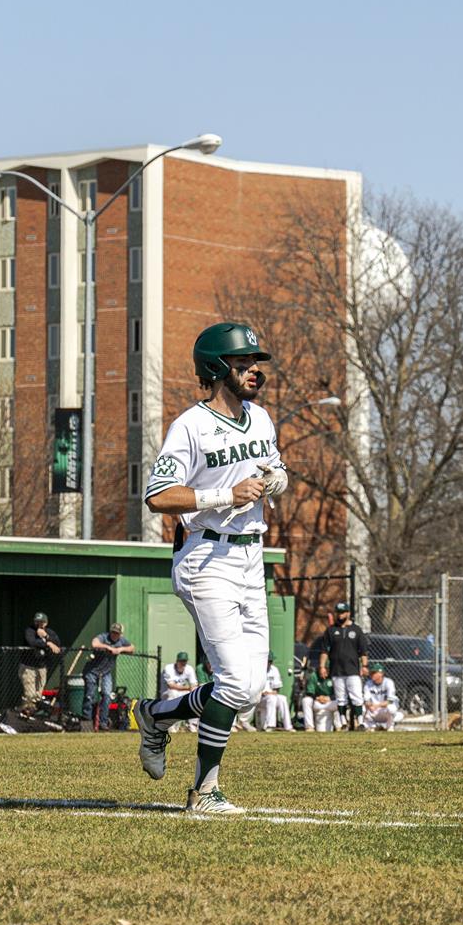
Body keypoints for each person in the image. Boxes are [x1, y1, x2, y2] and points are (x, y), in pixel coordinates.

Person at [132, 322, 288, 814]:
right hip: (207, 556)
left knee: (251, 690)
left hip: (250, 556)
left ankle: (157, 715)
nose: (254, 371)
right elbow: (158, 496)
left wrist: (276, 480)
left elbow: (275, 467)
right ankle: (203, 791)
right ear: (218, 368)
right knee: (235, 683)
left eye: (255, 363)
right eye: (243, 363)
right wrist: (225, 494)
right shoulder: (190, 426)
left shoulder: (260, 419)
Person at [312, 602, 369, 732]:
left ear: (348, 613)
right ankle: (343, 723)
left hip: (352, 669)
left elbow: (363, 651)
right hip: (336, 670)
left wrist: (365, 665)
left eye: (343, 612)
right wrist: (322, 666)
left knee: (356, 696)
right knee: (341, 698)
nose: (340, 615)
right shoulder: (331, 630)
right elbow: (324, 651)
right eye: (338, 612)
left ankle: (360, 722)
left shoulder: (356, 630)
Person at [85, 624, 133, 732]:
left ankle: (103, 722)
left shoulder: (121, 641)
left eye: (117, 633)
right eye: (113, 632)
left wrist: (120, 649)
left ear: (120, 634)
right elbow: (94, 643)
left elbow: (132, 648)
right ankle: (87, 721)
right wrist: (108, 647)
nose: (114, 635)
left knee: (107, 696)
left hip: (106, 673)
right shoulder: (103, 637)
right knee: (89, 695)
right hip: (92, 671)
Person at [19, 613, 62, 714]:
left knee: (38, 695)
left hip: (42, 667)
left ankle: (34, 714)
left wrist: (46, 636)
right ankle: (26, 714)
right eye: (36, 622)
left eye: (41, 622)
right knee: (30, 694)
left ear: (46, 623)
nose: (39, 624)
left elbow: (57, 643)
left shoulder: (49, 632)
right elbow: (32, 642)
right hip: (28, 667)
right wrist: (47, 644)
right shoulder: (30, 631)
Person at [255, 657, 292, 731]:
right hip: (259, 698)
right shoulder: (257, 670)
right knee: (271, 698)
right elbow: (253, 689)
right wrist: (262, 693)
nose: (269, 663)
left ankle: (288, 726)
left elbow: (276, 689)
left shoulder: (274, 669)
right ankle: (270, 725)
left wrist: (271, 693)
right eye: (268, 661)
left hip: (270, 696)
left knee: (283, 699)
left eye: (271, 661)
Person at [301, 659, 338, 732]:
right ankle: (309, 727)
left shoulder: (334, 676)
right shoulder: (314, 675)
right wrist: (318, 698)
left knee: (341, 702)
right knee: (306, 700)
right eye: (325, 670)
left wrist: (329, 698)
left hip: (331, 702)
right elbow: (309, 692)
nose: (326, 673)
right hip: (318, 702)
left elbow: (339, 693)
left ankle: (339, 727)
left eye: (328, 670)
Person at [361, 663, 400, 731]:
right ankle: (372, 726)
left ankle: (390, 726)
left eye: (374, 673)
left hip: (384, 710)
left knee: (392, 708)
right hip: (373, 710)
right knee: (362, 708)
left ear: (381, 674)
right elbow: (366, 700)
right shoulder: (368, 683)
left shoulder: (388, 682)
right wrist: (369, 706)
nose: (372, 675)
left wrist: (376, 706)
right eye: (371, 673)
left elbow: (390, 701)